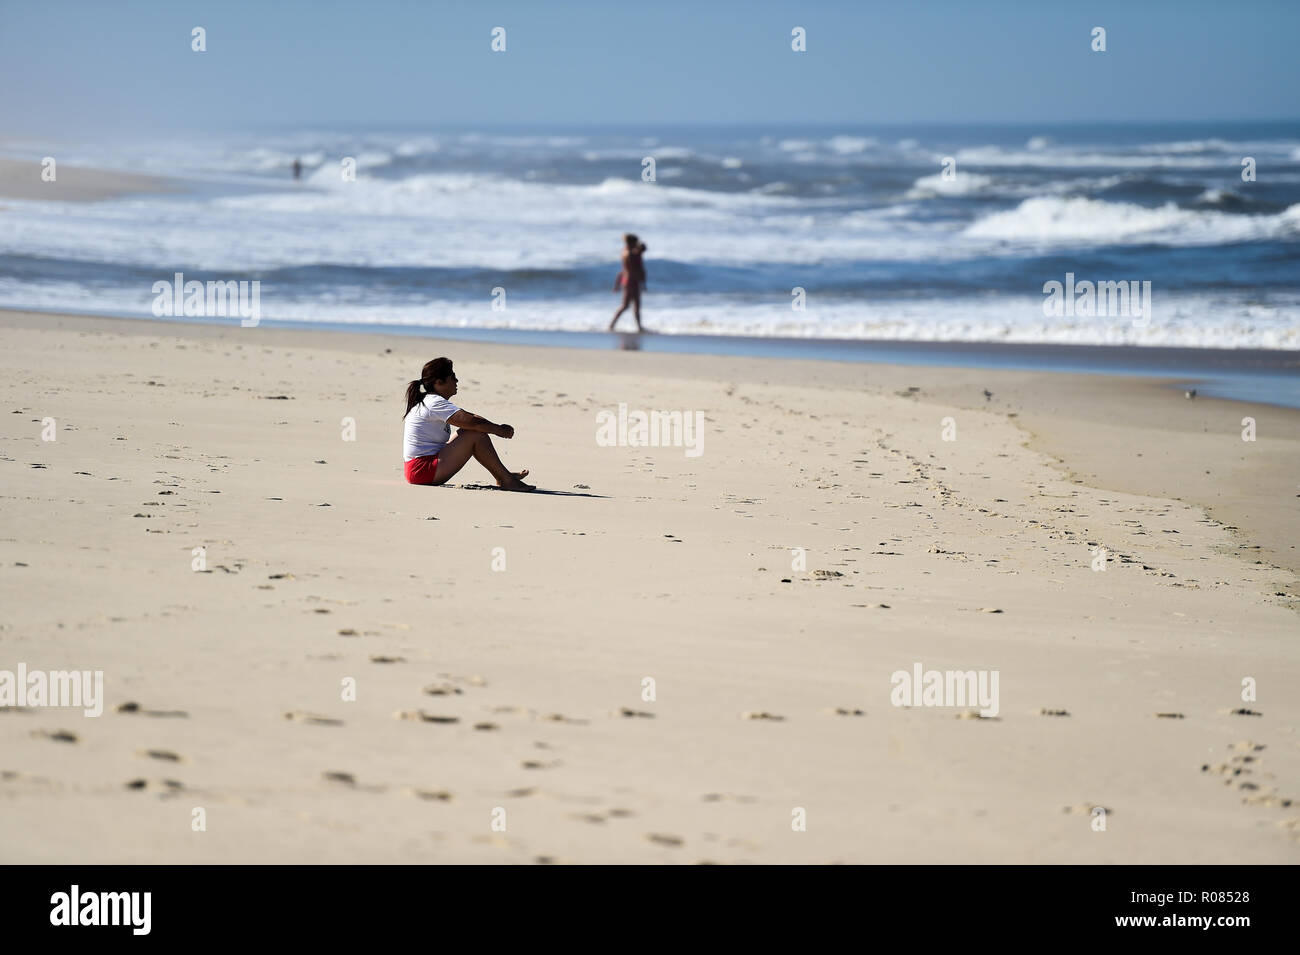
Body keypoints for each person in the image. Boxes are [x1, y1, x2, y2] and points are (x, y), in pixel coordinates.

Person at [401, 357, 534, 491]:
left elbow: (470, 418)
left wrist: (496, 428)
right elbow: (472, 422)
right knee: (474, 433)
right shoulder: (434, 402)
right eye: (453, 377)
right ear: (439, 382)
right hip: (421, 471)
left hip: (419, 469)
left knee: (471, 430)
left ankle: (503, 476)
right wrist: (499, 430)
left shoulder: (430, 401)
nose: (457, 381)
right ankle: (505, 479)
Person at [609, 233, 647, 331]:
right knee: (626, 305)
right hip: (630, 281)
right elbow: (630, 268)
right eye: (636, 242)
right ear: (632, 242)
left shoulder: (629, 252)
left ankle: (639, 327)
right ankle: (612, 325)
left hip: (632, 281)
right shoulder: (628, 253)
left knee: (636, 305)